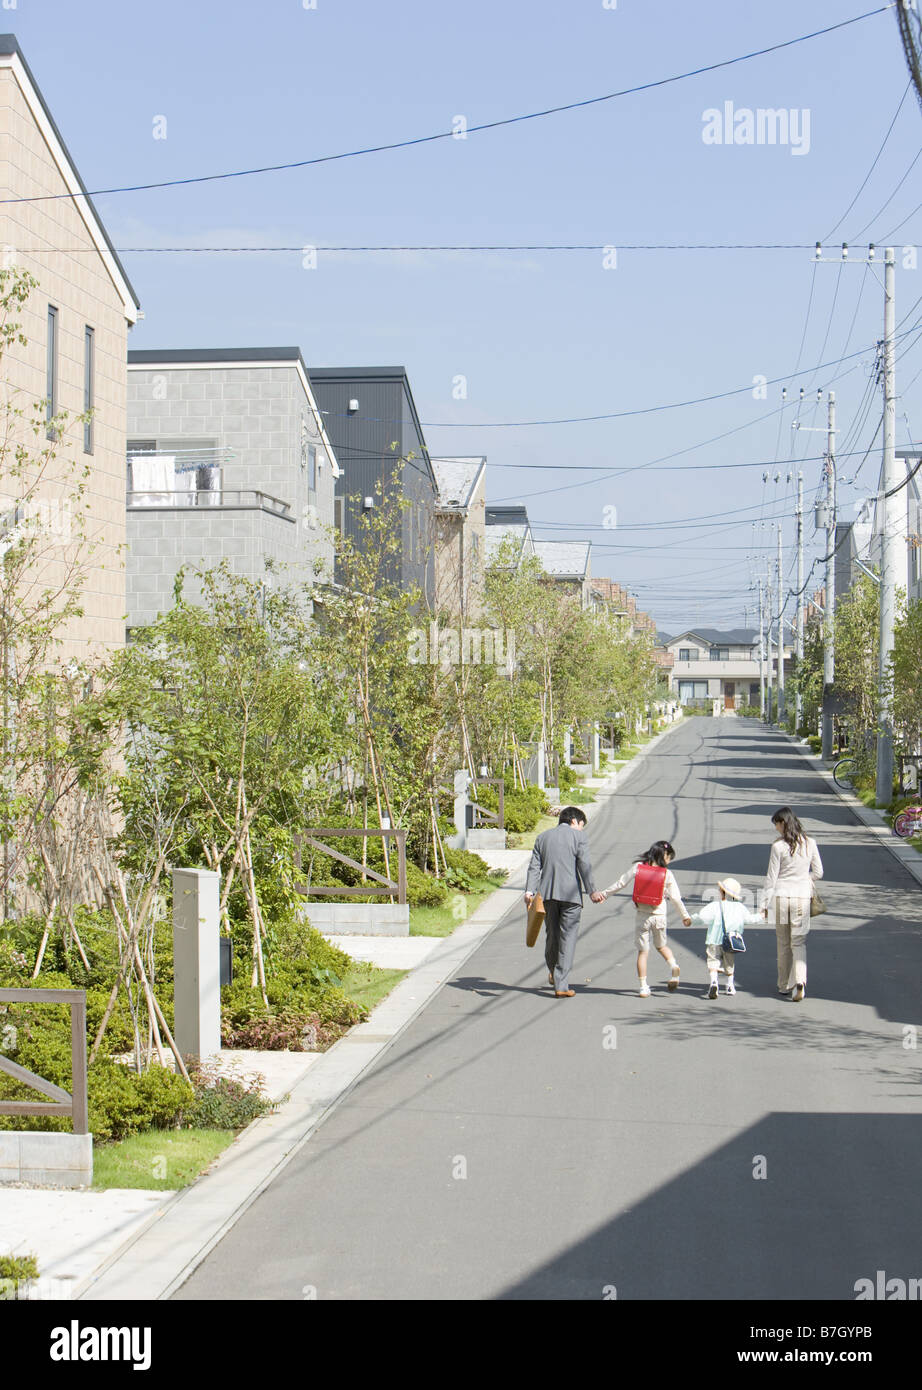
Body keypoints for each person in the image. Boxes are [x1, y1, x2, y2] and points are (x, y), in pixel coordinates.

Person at [525, 806, 605, 997]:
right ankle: (561, 985)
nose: (581, 829)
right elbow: (584, 865)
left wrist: (529, 891)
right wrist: (592, 891)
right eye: (581, 825)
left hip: (547, 895)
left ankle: (554, 971)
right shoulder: (580, 838)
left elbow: (534, 867)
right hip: (571, 897)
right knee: (567, 938)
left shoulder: (542, 837)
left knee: (552, 935)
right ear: (574, 821)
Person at [601, 840, 691, 997]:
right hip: (660, 916)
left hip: (642, 916)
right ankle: (673, 965)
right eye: (669, 858)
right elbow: (675, 898)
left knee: (643, 952)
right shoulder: (667, 874)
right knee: (662, 946)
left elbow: (621, 883)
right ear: (665, 856)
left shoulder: (638, 868)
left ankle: (643, 986)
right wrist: (685, 916)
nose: (669, 861)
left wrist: (604, 894)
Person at [763, 807, 823, 1003]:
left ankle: (783, 985)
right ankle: (800, 981)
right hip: (802, 898)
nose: (776, 829)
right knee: (798, 942)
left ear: (783, 823)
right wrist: (806, 879)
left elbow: (771, 878)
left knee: (783, 943)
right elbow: (819, 872)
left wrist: (763, 903)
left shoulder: (778, 847)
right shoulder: (810, 843)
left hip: (782, 896)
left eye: (777, 824)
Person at [690, 877, 764, 999]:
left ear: (722, 892)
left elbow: (702, 917)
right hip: (731, 941)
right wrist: (761, 916)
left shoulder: (715, 905)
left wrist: (691, 920)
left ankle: (714, 982)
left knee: (713, 961)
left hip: (714, 939)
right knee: (729, 962)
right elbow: (749, 919)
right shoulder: (740, 908)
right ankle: (730, 985)